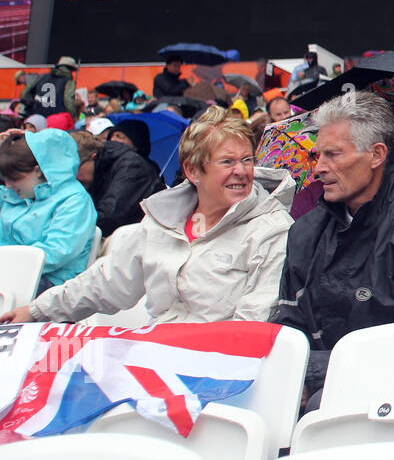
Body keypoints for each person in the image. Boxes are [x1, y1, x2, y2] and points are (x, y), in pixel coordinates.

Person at [1, 109, 292, 325]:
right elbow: (106, 282)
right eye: (227, 162)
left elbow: (254, 324)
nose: (241, 171)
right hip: (154, 359)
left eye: (247, 160)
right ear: (192, 171)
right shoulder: (163, 221)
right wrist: (35, 311)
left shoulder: (272, 229)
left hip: (220, 376)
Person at [274, 91, 394, 402]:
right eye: (317, 156)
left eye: (333, 155)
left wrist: (312, 374)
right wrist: (289, 375)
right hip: (310, 391)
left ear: (376, 155)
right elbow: (288, 326)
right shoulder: (305, 231)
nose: (318, 169)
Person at [0, 128, 96, 293]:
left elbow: (57, 251)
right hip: (12, 272)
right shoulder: (15, 195)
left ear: (38, 171)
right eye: (5, 178)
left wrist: (10, 264)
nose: (8, 185)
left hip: (52, 284)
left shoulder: (74, 199)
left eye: (14, 178)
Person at [71, 130, 165, 237]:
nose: (74, 176)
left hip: (146, 240)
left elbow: (109, 217)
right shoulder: (99, 171)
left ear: (92, 157)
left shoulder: (131, 166)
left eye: (75, 169)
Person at [19, 56, 79, 120]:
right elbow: (68, 100)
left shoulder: (41, 77)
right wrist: (73, 117)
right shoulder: (68, 81)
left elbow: (24, 94)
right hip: (56, 120)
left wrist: (33, 104)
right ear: (71, 69)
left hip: (36, 118)